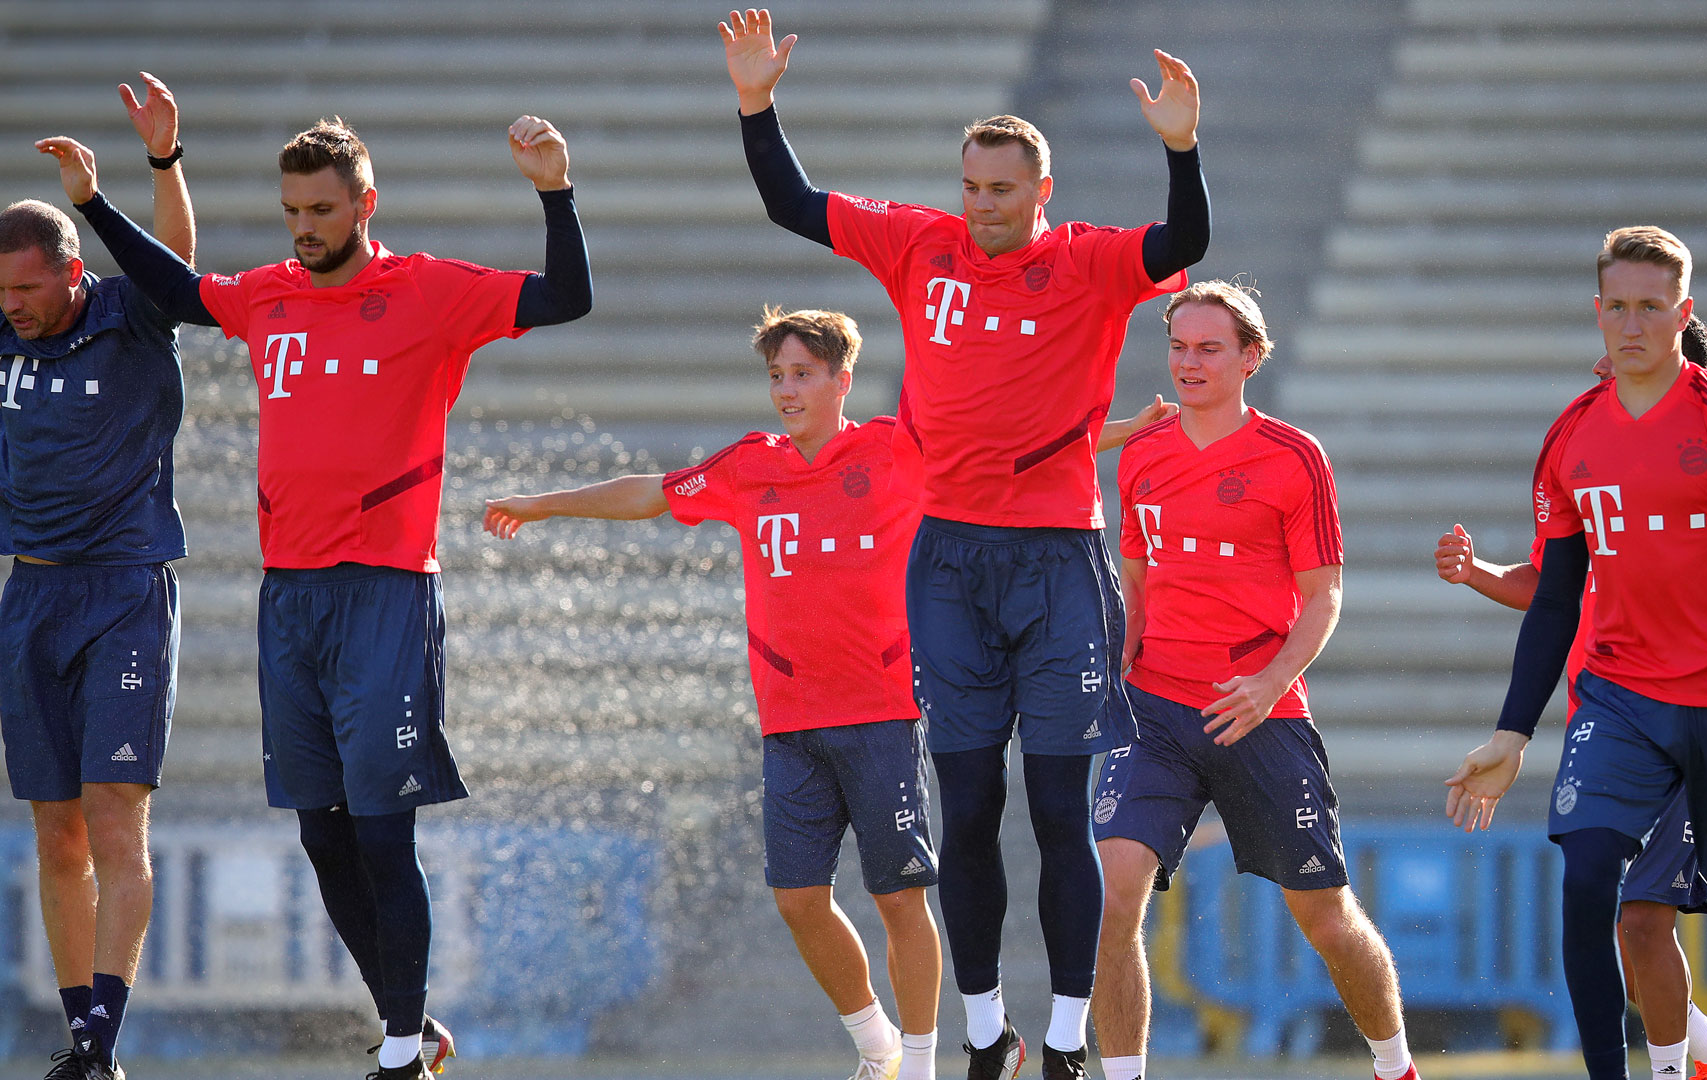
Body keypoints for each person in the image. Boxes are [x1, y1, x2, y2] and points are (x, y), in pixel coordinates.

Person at [484, 305, 1174, 1080]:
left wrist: (1122, 429)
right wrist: (543, 504)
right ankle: (876, 1045)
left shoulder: (892, 451)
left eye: (803, 374)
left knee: (900, 897)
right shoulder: (750, 465)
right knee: (798, 898)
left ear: (842, 380)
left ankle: (920, 1064)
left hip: (882, 713)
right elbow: (655, 491)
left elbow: (1008, 454)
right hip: (788, 721)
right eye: (776, 375)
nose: (786, 389)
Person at [46, 107, 592, 1079]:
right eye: (293, 208)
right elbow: (178, 290)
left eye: (323, 209)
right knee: (321, 833)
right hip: (289, 599)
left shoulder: (426, 290)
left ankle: (393, 1050)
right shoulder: (270, 296)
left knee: (384, 829)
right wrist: (97, 202)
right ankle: (410, 1028)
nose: (304, 225)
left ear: (364, 206)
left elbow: (567, 300)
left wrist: (555, 188)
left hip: (385, 594)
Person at [719, 11, 1209, 1078]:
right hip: (947, 558)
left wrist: (1181, 149)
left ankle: (1071, 1040)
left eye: (1001, 189)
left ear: (1042, 190)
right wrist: (758, 102)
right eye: (970, 185)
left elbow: (1182, 247)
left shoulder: (1087, 261)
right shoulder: (918, 244)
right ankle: (988, 1035)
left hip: (1060, 560)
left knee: (1058, 806)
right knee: (972, 806)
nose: (980, 205)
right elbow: (791, 204)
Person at [1444, 227, 1707, 1080]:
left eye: (1650, 306)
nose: (1631, 323)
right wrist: (1512, 731)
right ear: (1595, 312)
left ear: (1684, 313)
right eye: (1616, 306)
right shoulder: (1570, 436)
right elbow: (1559, 596)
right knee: (1588, 878)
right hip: (1621, 698)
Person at [1092, 281, 1419, 1080]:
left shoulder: (1294, 457)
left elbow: (1324, 596)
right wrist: (1111, 676)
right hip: (1155, 712)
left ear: (1251, 357)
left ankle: (1396, 1067)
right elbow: (1133, 586)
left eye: (1210, 348)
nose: (1190, 363)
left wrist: (1270, 683)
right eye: (1180, 348)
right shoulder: (1141, 452)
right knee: (1111, 896)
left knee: (1327, 919)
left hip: (1257, 712)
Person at [3, 73, 193, 1080]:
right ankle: (85, 1041)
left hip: (123, 589)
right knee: (56, 829)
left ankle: (102, 1039)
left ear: (70, 272)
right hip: (28, 593)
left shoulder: (128, 316)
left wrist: (159, 162)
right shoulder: (4, 332)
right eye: (2, 293)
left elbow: (180, 269)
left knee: (116, 811)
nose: (15, 307)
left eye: (29, 287)